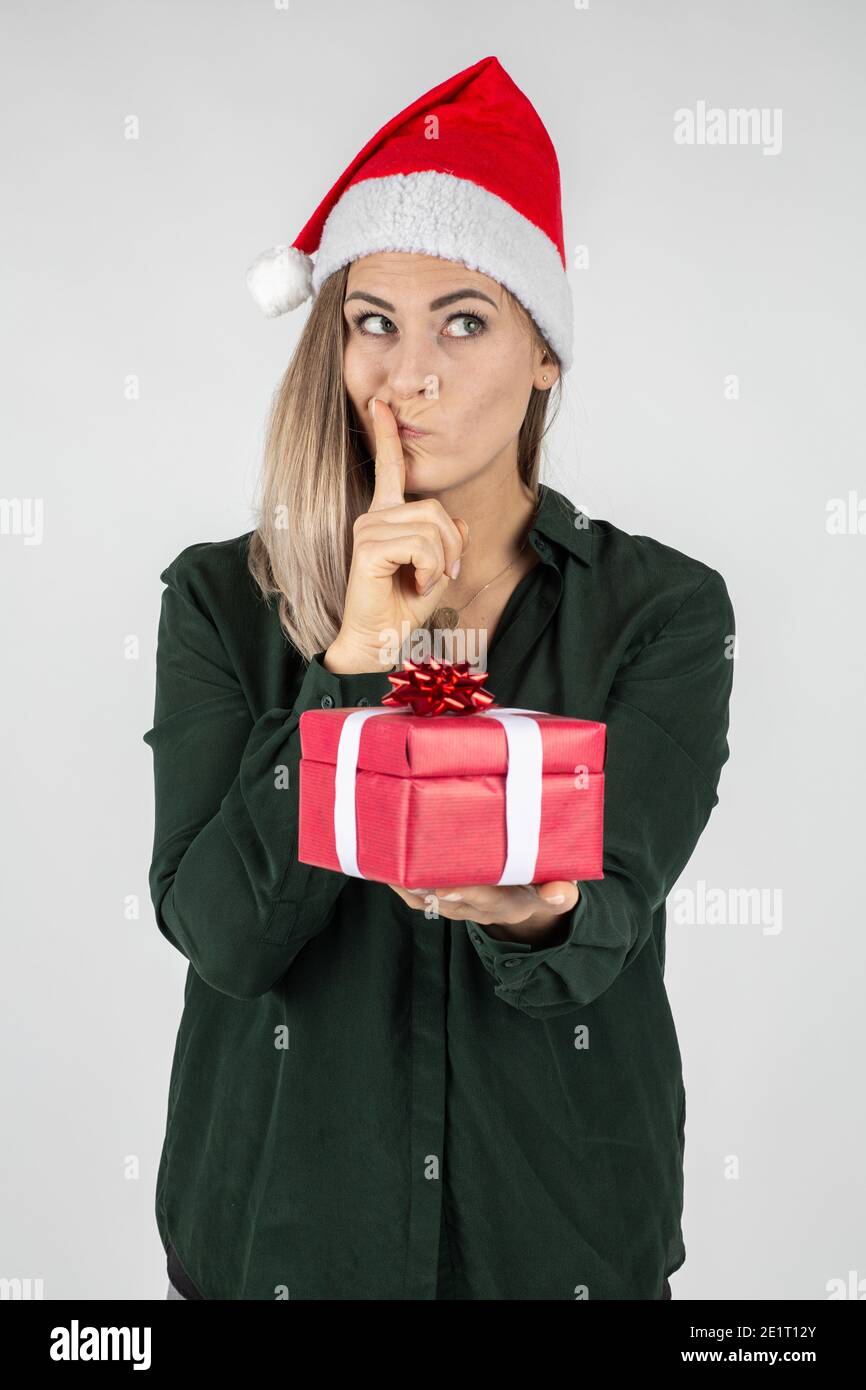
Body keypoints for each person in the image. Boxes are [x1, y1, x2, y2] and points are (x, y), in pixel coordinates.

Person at [144, 55, 734, 1301]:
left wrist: (530, 905)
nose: (407, 373)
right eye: (373, 322)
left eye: (464, 321)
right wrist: (351, 663)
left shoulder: (663, 611)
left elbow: (607, 907)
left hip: (553, 1245)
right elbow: (223, 938)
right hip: (279, 1246)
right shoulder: (219, 599)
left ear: (543, 360)